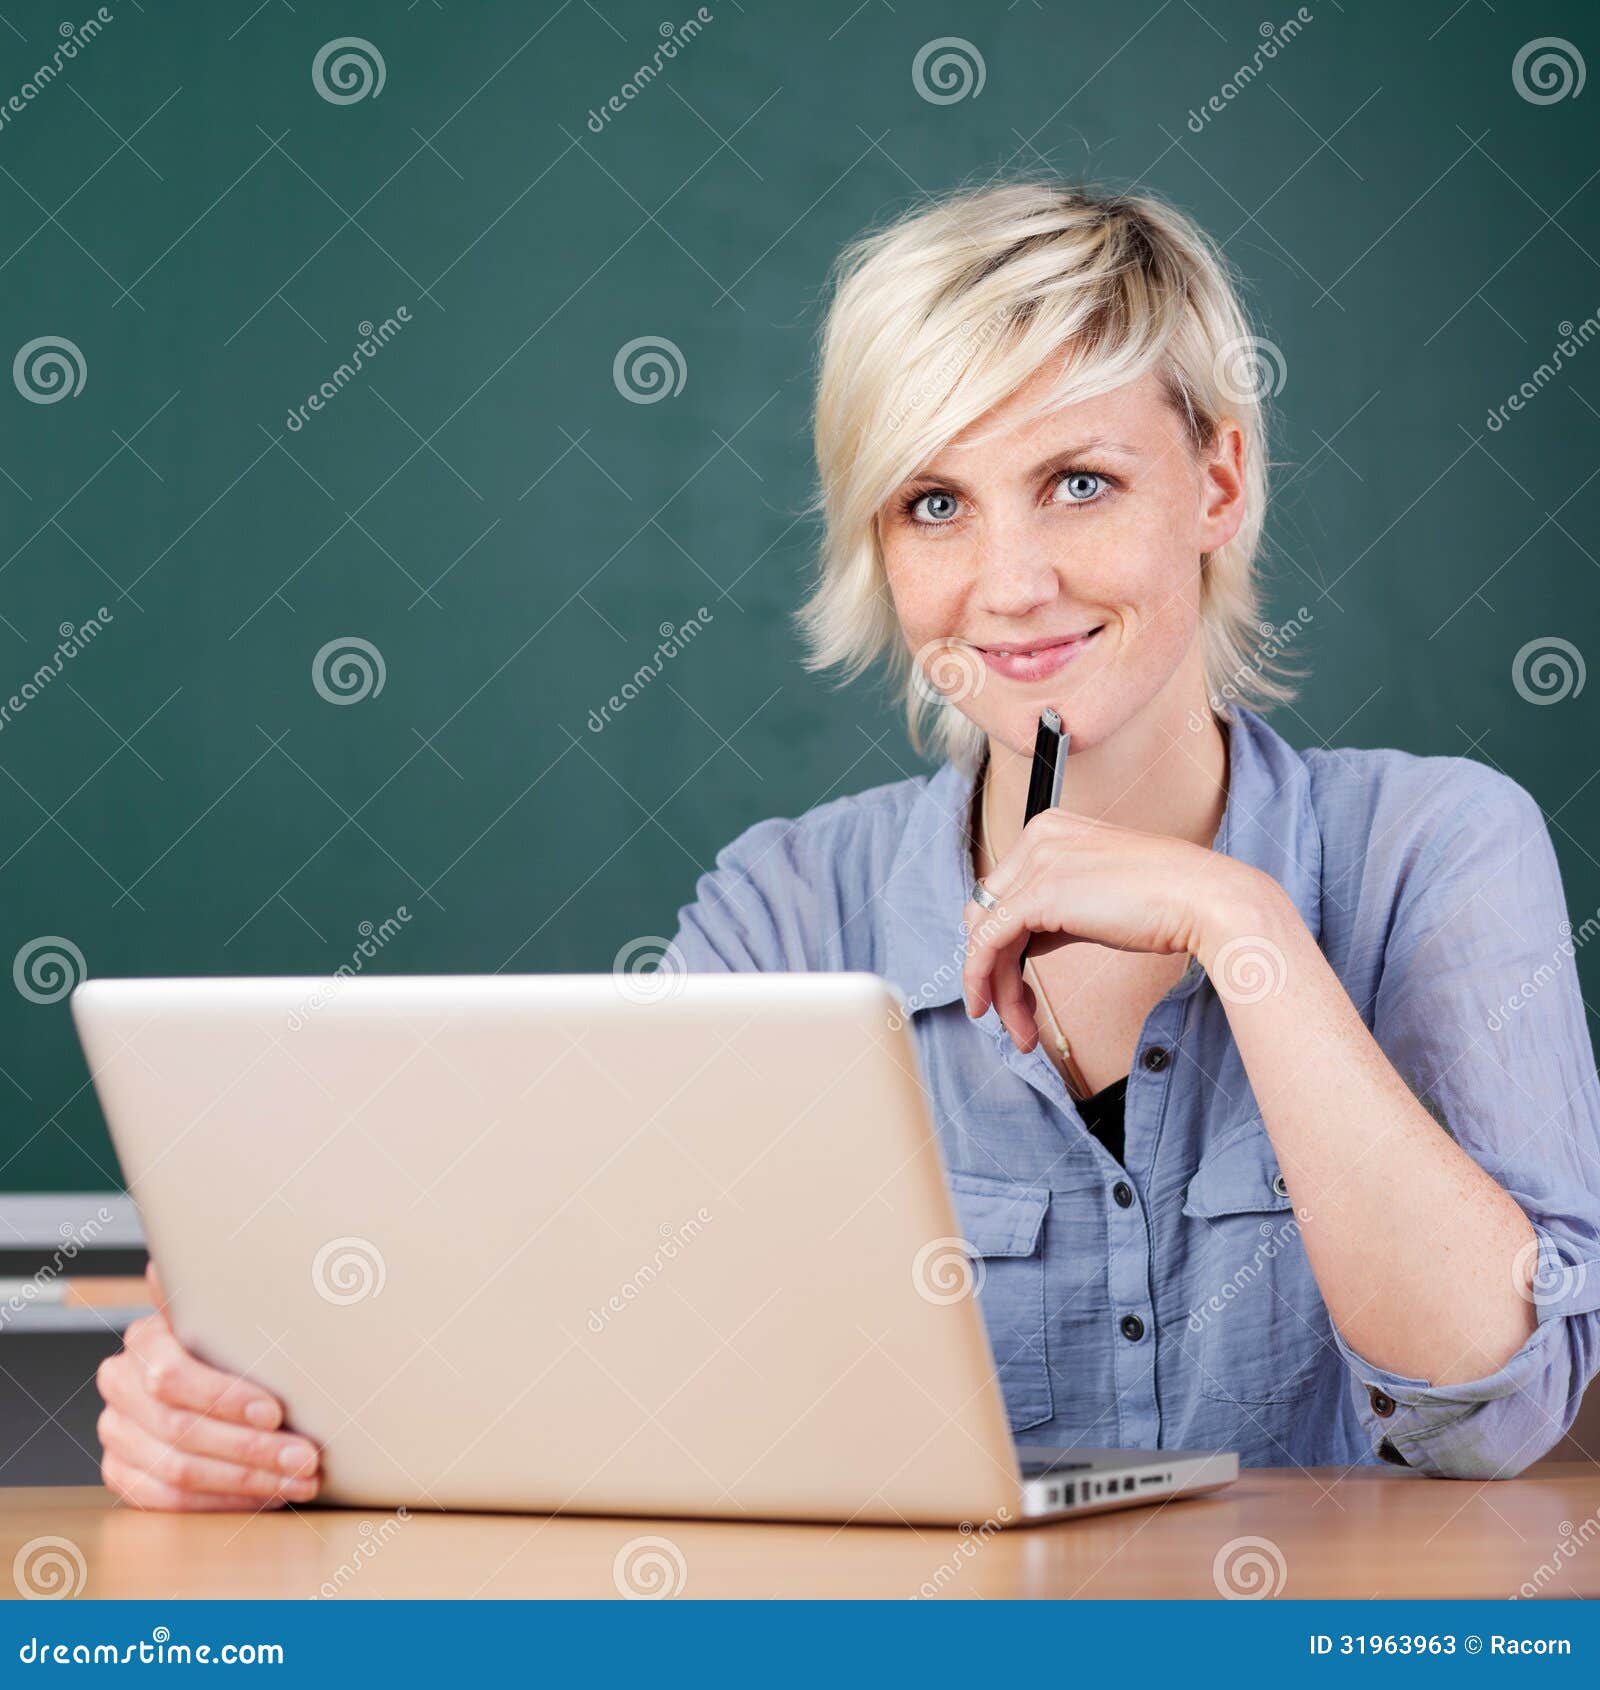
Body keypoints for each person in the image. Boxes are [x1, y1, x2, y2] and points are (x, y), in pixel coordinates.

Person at [94, 179, 1600, 1509]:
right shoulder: (785, 912)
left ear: (1216, 482)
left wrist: (1247, 932)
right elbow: (591, 1343)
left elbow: (1497, 1407)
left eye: (1080, 481)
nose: (1006, 584)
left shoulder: (1439, 847)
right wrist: (227, 1398)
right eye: (933, 503)